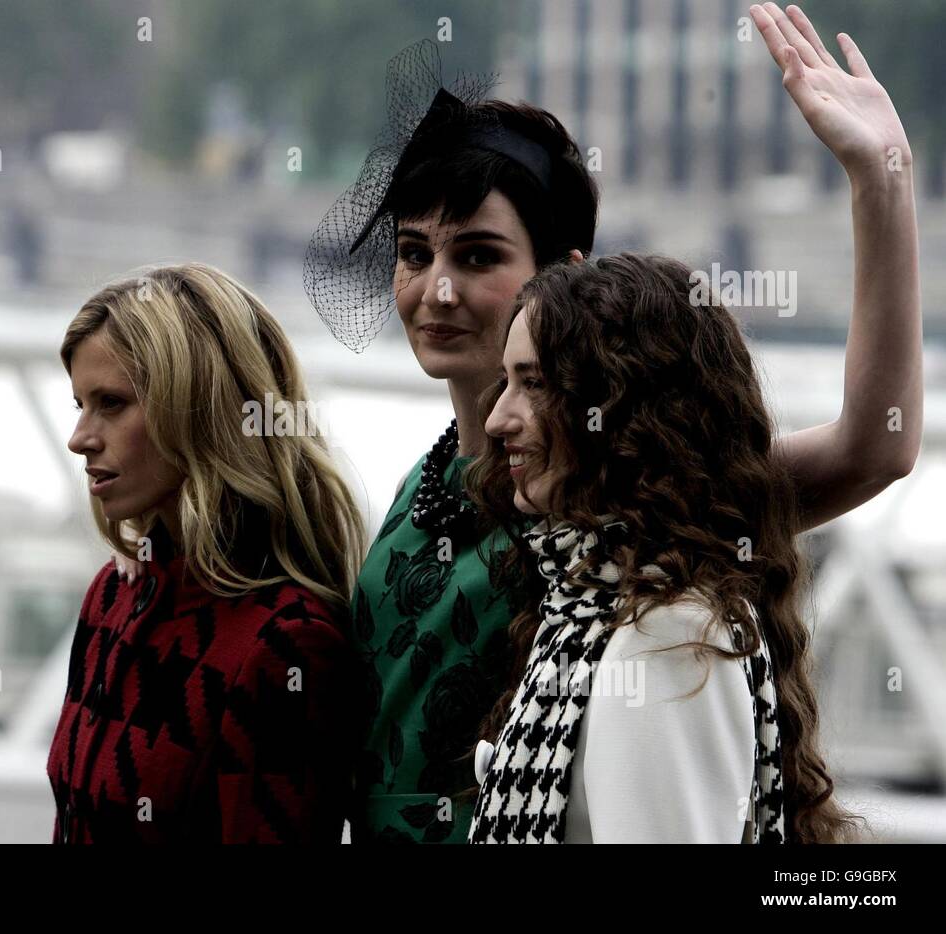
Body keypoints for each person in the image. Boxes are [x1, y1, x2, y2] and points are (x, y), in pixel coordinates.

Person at [300, 5, 921, 843]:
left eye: (478, 256)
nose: (435, 290)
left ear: (562, 279)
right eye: (415, 253)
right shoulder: (430, 479)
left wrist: (880, 181)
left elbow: (872, 446)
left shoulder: (627, 493)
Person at [466, 253, 858, 843]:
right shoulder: (592, 607)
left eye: (536, 384)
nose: (497, 419)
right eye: (508, 381)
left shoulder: (668, 634)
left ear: (630, 410)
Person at [47, 262, 366, 842]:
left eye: (112, 403)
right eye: (79, 405)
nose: (80, 438)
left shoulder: (286, 643)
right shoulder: (113, 597)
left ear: (200, 408)